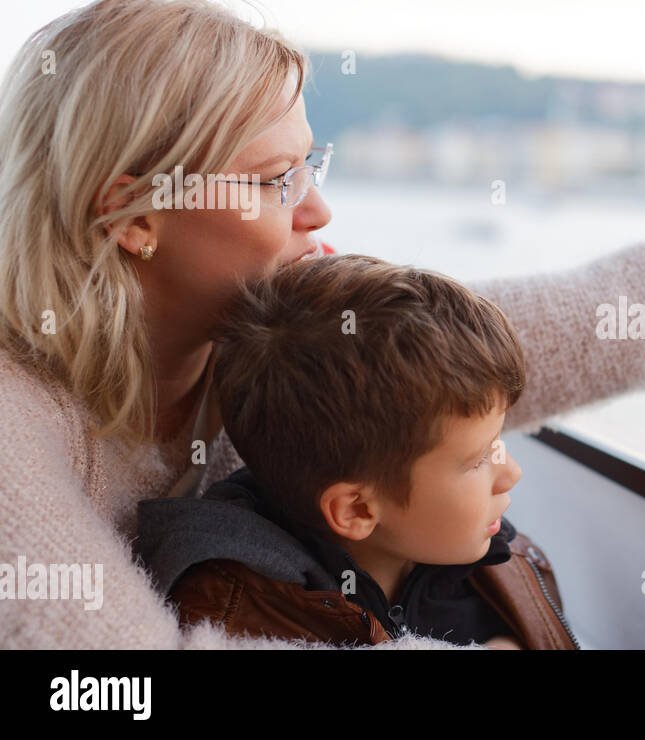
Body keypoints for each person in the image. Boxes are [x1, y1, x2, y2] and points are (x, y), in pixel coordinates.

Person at [0, 0, 645, 649]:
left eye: (313, 163)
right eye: (273, 179)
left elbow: (610, 316)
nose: (316, 208)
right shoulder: (14, 431)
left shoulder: (294, 344)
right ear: (132, 215)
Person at [133, 255, 576, 649]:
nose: (510, 472)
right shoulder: (232, 613)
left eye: (498, 443)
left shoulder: (497, 560)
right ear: (358, 509)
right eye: (478, 460)